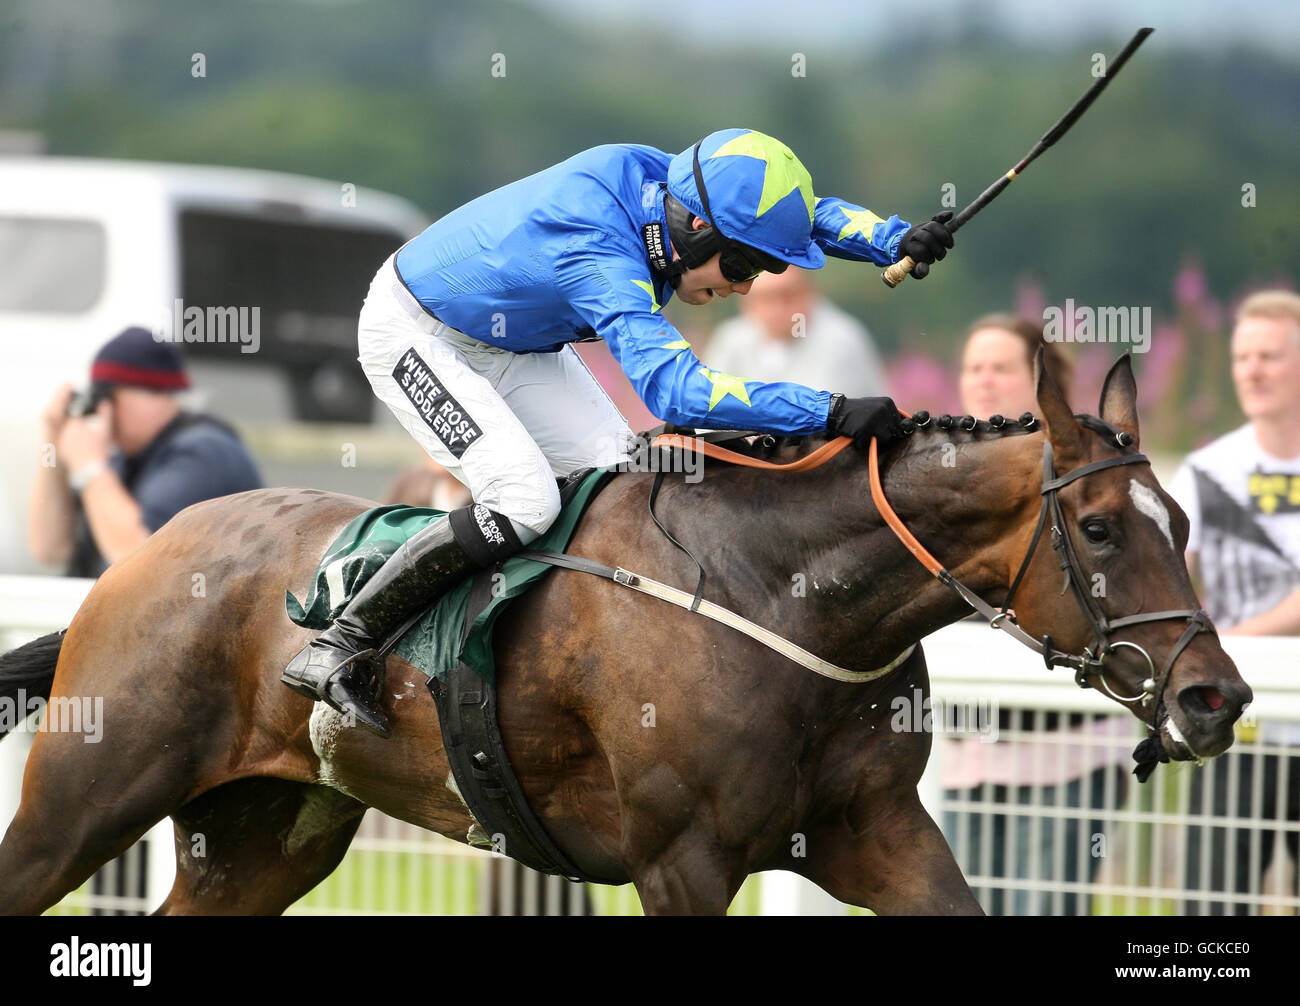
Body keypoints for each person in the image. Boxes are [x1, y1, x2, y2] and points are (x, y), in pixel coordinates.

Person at [282, 127, 956, 737]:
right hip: (417, 332)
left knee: (622, 482)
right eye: (743, 266)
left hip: (514, 340)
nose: (748, 289)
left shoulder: (674, 189)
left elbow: (807, 216)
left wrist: (890, 240)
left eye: (762, 269)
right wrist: (828, 411)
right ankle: (343, 639)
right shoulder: (600, 250)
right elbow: (678, 392)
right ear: (694, 226)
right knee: (524, 499)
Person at [939, 314, 1130, 915]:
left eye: (1001, 367)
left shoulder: (1080, 471)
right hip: (969, 760)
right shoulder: (946, 470)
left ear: (1041, 381)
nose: (984, 380)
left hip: (1066, 759)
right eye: (974, 367)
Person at [1169, 289, 1300, 914]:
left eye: (1270, 356)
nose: (1251, 369)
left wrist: (1234, 642)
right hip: (1237, 729)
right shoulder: (1205, 471)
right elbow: (1169, 576)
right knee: (1212, 912)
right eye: (1242, 356)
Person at [28, 326, 263, 578]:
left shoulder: (203, 454)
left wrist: (91, 468)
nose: (102, 410)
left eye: (106, 395)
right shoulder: (123, 460)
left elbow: (142, 566)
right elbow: (49, 549)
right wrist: (53, 443)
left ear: (151, 392)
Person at [705, 266, 889, 397]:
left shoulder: (841, 340)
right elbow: (709, 412)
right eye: (766, 299)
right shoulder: (731, 340)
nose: (777, 309)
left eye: (787, 296)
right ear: (747, 304)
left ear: (810, 293)